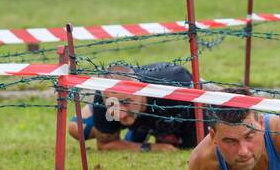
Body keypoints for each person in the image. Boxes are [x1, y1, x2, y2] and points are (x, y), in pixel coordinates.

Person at [68, 63, 201, 151]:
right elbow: (105, 144)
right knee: (77, 128)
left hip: (169, 114)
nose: (120, 114)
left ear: (140, 89)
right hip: (140, 118)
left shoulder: (174, 85)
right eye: (112, 104)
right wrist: (149, 147)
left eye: (126, 102)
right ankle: (137, 131)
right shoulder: (103, 98)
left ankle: (139, 131)